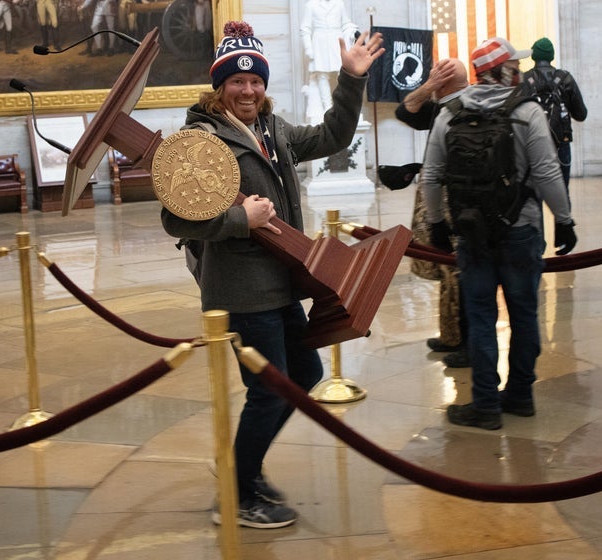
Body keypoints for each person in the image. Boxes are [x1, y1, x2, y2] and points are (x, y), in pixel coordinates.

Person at [161, 20, 385, 528]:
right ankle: (238, 495)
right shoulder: (200, 140)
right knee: (269, 389)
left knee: (304, 375)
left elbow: (333, 135)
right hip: (241, 290)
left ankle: (244, 464)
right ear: (219, 86)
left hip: (282, 282)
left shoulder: (273, 129)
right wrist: (241, 219)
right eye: (237, 81)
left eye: (256, 80)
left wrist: (351, 79)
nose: (248, 90)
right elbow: (175, 219)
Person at [421, 37, 577, 430]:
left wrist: (437, 224)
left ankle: (486, 404)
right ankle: (520, 395)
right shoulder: (527, 111)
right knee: (524, 315)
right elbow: (547, 171)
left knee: (480, 317)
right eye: (514, 65)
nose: (520, 71)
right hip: (521, 230)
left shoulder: (449, 113)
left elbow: (431, 176)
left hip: (472, 233)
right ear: (503, 70)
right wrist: (564, 218)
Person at [395, 58, 471, 368]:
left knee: (459, 273)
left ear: (444, 83)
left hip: (457, 202)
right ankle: (452, 335)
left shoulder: (465, 107)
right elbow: (405, 110)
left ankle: (467, 343)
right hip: (441, 198)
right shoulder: (441, 107)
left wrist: (432, 85)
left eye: (435, 77)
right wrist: (430, 86)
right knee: (448, 271)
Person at [522, 37, 587, 201]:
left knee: (533, 198)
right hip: (561, 143)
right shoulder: (565, 79)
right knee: (562, 195)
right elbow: (581, 114)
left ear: (534, 56)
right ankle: (563, 218)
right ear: (551, 56)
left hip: (533, 144)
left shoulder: (524, 80)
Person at [300, 0, 358, 122]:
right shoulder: (311, 5)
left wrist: (351, 31)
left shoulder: (339, 3)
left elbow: (346, 23)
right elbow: (305, 28)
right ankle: (327, 107)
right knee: (322, 74)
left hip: (336, 40)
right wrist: (308, 48)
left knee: (342, 73)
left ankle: (341, 105)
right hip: (319, 41)